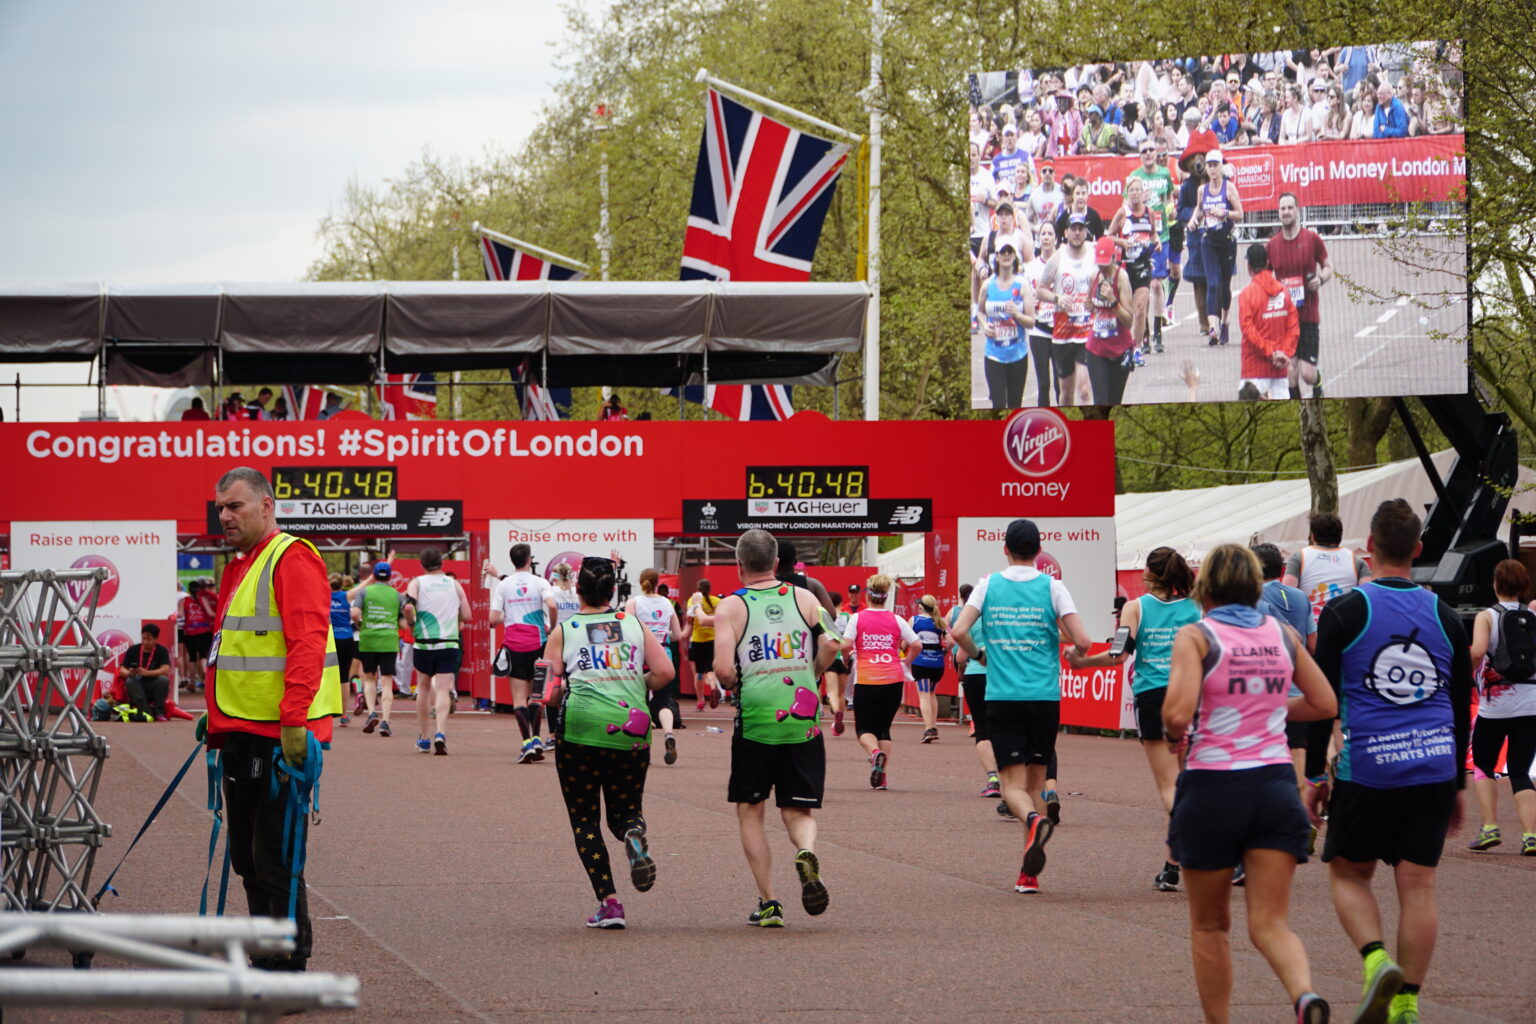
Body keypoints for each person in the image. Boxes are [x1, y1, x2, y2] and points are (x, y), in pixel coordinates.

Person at [1310, 499, 1474, 1024]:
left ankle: (1377, 960)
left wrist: (1315, 772)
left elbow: (1320, 702)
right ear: (1419, 551)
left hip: (1369, 768)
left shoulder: (1345, 611)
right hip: (1432, 766)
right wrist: (1458, 783)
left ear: (1370, 549)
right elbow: (1459, 705)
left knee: (1348, 873)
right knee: (1419, 885)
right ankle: (1407, 1004)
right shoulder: (1447, 617)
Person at [1162, 544, 1337, 1024]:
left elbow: (1177, 713)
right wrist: (1273, 706)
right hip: (1275, 784)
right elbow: (1324, 703)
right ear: (1255, 586)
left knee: (1210, 925)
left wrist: (1174, 734)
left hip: (1214, 785)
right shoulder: (1280, 633)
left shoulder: (1197, 636)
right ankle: (1303, 996)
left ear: (1206, 588)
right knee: (1270, 922)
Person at [203, 466, 342, 971]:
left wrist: (292, 722)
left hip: (279, 737)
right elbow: (234, 652)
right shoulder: (240, 566)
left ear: (266, 505)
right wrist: (214, 717)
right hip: (240, 730)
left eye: (234, 505)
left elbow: (307, 643)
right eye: (220, 507)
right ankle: (265, 960)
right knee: (246, 860)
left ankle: (287, 967)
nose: (224, 515)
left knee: (276, 860)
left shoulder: (293, 557)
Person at [951, 518, 1091, 895]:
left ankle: (1031, 821)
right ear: (1038, 550)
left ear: (1006, 549)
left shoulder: (987, 585)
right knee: (1035, 782)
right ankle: (1028, 874)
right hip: (1044, 697)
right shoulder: (1053, 586)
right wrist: (1076, 655)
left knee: (1011, 785)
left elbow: (958, 631)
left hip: (1003, 694)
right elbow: (1083, 639)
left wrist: (980, 654)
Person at [712, 529, 840, 927]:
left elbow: (721, 669)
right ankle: (805, 851)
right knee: (797, 809)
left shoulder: (731, 606)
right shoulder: (803, 597)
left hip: (756, 718)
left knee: (750, 810)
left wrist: (735, 683)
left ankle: (769, 902)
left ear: (739, 566)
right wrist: (812, 672)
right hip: (802, 717)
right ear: (775, 563)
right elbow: (835, 643)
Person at [544, 556, 673, 929]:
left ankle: (610, 903)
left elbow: (547, 693)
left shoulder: (564, 631)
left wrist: (562, 690)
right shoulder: (632, 624)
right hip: (631, 727)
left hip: (580, 730)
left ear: (578, 590)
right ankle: (632, 834)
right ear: (614, 591)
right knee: (626, 809)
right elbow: (664, 672)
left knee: (585, 819)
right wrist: (637, 686)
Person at [1069, 547, 1199, 892]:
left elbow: (1118, 655)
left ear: (1150, 574)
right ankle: (1173, 865)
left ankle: (1195, 850)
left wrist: (1082, 663)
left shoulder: (1136, 608)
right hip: (1194, 695)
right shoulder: (1197, 608)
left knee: (1170, 786)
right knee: (1192, 780)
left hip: (1154, 696)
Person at [1466, 559, 1536, 856]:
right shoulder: (1532, 616)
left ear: (1496, 584)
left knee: (1483, 765)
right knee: (1520, 771)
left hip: (1494, 706)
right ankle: (1531, 836)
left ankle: (1490, 827)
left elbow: (1479, 651)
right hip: (1530, 703)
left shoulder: (1487, 616)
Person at [1252, 543, 1324, 804]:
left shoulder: (1252, 599)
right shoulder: (1300, 597)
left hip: (1265, 689)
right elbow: (1313, 644)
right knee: (1297, 751)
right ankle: (1302, 815)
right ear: (1281, 569)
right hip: (1298, 688)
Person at [840, 573, 921, 790]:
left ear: (869, 595)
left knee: (864, 729)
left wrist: (847, 658)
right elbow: (917, 645)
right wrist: (905, 662)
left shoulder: (857, 618)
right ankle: (882, 777)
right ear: (886, 596)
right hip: (893, 679)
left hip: (866, 678)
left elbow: (846, 645)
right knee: (884, 728)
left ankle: (875, 753)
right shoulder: (897, 619)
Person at [490, 543, 560, 763]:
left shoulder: (504, 585)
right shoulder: (540, 582)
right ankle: (538, 739)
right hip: (538, 642)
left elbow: (492, 620)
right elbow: (552, 606)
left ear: (513, 561)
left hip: (514, 644)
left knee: (519, 697)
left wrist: (508, 617)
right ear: (529, 560)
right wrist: (550, 626)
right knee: (536, 696)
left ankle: (526, 743)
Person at [1266, 192, 1332, 398]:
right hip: (1285, 320)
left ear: (1297, 211)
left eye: (1290, 208)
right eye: (1282, 208)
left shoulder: (1311, 239)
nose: (1286, 212)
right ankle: (1300, 408)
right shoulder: (1272, 245)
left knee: (1306, 374)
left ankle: (1317, 381)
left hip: (1308, 316)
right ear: (1278, 213)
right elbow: (1265, 278)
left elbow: (1328, 265)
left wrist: (1320, 280)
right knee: (1289, 372)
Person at [406, 548, 470, 755]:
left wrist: (411, 622)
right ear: (442, 564)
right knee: (443, 689)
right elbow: (468, 615)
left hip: (424, 642)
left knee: (424, 688)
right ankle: (440, 732)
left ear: (422, 565)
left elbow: (408, 608)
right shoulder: (454, 584)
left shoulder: (417, 582)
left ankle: (424, 738)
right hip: (449, 642)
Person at [1036, 212, 1095, 407]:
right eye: (1073, 229)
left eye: (1081, 229)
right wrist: (1057, 298)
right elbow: (1040, 290)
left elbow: (1105, 282)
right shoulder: (1057, 259)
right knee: (1066, 395)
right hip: (1062, 334)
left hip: (1086, 332)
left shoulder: (1093, 256)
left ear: (1085, 232)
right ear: (1066, 233)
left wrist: (1095, 299)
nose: (1077, 233)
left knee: (1085, 391)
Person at [626, 569, 685, 765]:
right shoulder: (667, 603)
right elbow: (677, 635)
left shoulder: (633, 602)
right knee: (662, 701)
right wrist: (662, 632)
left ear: (640, 582)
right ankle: (668, 733)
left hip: (641, 655)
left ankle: (644, 749)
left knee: (639, 701)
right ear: (658, 583)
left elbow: (628, 630)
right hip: (663, 655)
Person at [1236, 243, 1300, 402]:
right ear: (1267, 263)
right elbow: (1294, 329)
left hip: (1254, 369)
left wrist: (1269, 353)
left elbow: (1248, 330)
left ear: (1248, 266)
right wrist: (1284, 353)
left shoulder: (1247, 294)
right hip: (1279, 367)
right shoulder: (1283, 291)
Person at [1192, 149, 1242, 347]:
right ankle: (1213, 328)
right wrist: (1192, 221)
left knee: (1224, 287)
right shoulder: (1202, 190)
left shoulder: (1229, 189)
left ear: (1221, 167)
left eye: (1215, 165)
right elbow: (1199, 210)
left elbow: (1240, 213)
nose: (1212, 169)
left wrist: (1224, 212)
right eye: (1209, 165)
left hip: (1227, 241)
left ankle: (1226, 319)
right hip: (1209, 240)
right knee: (1212, 284)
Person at [1283, 512, 1371, 622]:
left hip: (1312, 629)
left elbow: (1285, 595)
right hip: (1345, 629)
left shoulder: (1299, 557)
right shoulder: (1357, 562)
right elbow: (1368, 598)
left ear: (1313, 536)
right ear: (1340, 535)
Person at [980, 241, 1036, 410]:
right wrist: (984, 325)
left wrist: (1016, 314)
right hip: (993, 355)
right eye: (1002, 252)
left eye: (1009, 251)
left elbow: (1031, 322)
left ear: (1014, 256)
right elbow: (980, 311)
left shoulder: (1022, 285)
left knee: (1014, 405)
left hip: (1017, 355)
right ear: (996, 257)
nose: (1006, 255)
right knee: (998, 404)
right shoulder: (988, 285)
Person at [1084, 236, 1135, 407]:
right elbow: (1091, 307)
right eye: (1100, 264)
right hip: (1097, 348)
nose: (1103, 269)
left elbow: (1129, 321)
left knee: (1114, 404)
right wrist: (1089, 306)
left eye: (1106, 264)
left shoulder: (1122, 278)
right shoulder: (1093, 276)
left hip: (1120, 348)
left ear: (1114, 258)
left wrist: (1113, 301)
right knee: (1101, 403)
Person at [353, 561, 402, 738]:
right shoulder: (397, 595)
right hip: (389, 640)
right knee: (387, 681)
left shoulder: (365, 591)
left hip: (369, 640)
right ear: (389, 576)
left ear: (374, 575)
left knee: (369, 677)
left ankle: (372, 712)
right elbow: (403, 622)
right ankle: (386, 721)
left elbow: (354, 613)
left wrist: (362, 624)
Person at [1021, 222, 1059, 407]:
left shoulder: (1063, 264)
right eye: (1043, 233)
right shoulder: (1031, 268)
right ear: (1039, 239)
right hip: (1039, 331)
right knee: (1044, 384)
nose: (1046, 237)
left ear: (1056, 239)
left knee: (1061, 383)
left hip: (1060, 330)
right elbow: (1022, 298)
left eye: (1050, 233)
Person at [910, 595, 949, 742]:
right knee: (932, 693)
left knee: (924, 694)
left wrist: (903, 650)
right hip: (937, 663)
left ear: (920, 607)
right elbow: (950, 641)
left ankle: (928, 728)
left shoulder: (915, 620)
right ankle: (933, 726)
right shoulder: (940, 622)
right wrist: (943, 652)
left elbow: (907, 640)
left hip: (921, 662)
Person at [121, 623, 172, 721]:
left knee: (164, 680)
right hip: (138, 683)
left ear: (155, 639)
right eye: (143, 638)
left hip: (153, 683)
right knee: (130, 681)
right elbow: (122, 669)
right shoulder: (133, 649)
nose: (145, 642)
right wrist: (130, 673)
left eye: (148, 639)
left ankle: (159, 712)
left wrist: (146, 673)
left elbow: (166, 669)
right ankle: (145, 711)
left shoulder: (161, 651)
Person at [686, 580, 722, 712]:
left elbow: (689, 619)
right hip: (713, 640)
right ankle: (713, 688)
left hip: (697, 640)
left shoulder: (693, 601)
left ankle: (700, 700)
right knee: (710, 670)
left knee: (699, 672)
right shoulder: (717, 601)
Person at [327, 573, 358, 727]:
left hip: (328, 639)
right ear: (342, 584)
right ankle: (344, 715)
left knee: (324, 675)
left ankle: (323, 713)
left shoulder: (322, 596)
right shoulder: (347, 596)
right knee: (343, 677)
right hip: (346, 638)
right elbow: (365, 584)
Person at [823, 592, 852, 735]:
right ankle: (838, 721)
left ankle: (837, 713)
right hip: (846, 657)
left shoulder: (825, 617)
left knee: (832, 691)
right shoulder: (848, 617)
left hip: (831, 656)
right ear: (841, 602)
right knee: (841, 693)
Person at [182, 579, 216, 694]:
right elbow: (211, 613)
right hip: (203, 630)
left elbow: (181, 615)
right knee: (203, 656)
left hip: (189, 631)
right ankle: (207, 679)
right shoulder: (203, 599)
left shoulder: (184, 600)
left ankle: (191, 683)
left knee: (192, 657)